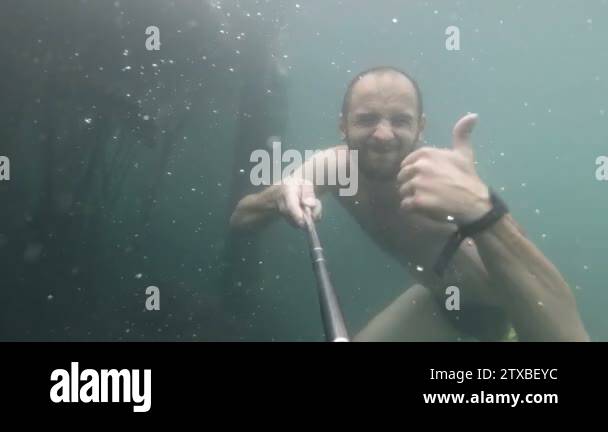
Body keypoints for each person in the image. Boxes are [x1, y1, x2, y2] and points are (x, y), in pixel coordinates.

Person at [230, 66, 589, 342]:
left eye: (400, 121)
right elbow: (241, 218)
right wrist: (277, 197)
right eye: (367, 119)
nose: (383, 135)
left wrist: (483, 210)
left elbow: (559, 321)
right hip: (437, 303)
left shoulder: (440, 180)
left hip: (506, 321)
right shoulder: (336, 167)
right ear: (343, 126)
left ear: (420, 128)